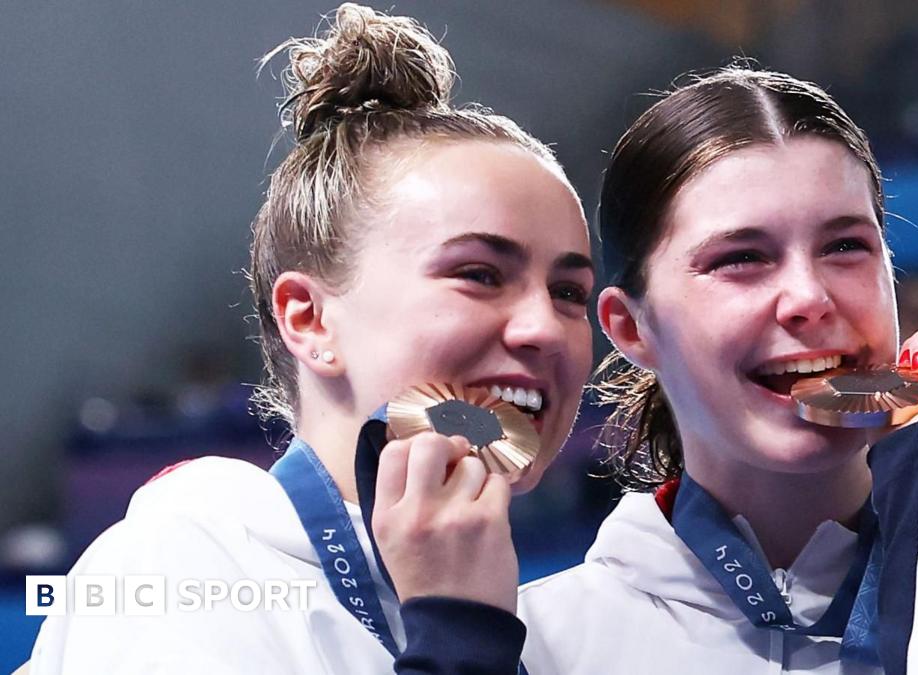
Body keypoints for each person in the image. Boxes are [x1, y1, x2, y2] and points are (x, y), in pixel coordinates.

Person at [518, 67, 918, 674]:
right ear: (631, 327)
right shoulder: (539, 644)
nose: (809, 297)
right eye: (742, 258)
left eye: (846, 246)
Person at [30, 4, 594, 673]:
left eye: (568, 293)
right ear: (310, 320)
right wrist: (459, 639)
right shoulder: (174, 573)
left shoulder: (544, 628)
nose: (542, 329)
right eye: (478, 274)